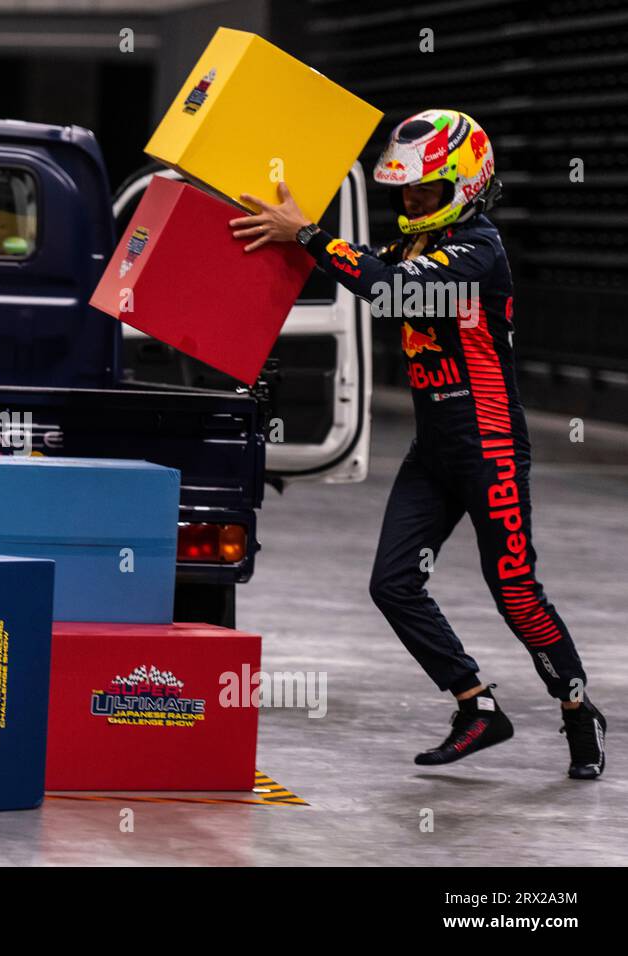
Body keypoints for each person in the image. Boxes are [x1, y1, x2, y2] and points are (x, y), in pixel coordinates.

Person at [229, 109, 606, 779]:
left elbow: (390, 291)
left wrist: (309, 236)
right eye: (404, 191)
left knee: (515, 591)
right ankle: (477, 705)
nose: (410, 201)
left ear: (463, 185)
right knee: (393, 585)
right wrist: (295, 236)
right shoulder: (416, 245)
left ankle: (578, 708)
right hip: (435, 447)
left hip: (487, 444)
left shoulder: (479, 249)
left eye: (424, 191)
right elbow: (377, 268)